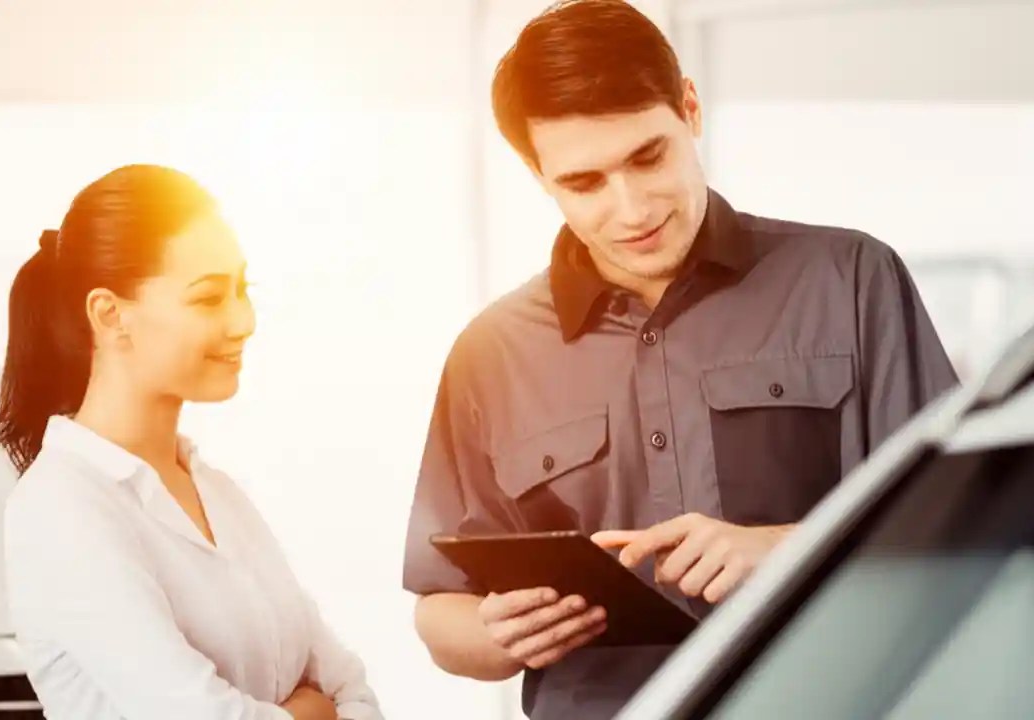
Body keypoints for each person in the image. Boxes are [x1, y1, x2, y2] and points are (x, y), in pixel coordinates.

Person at [401, 1, 959, 718]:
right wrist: (494, 633)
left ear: (689, 109)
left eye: (648, 156)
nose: (631, 208)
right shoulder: (489, 354)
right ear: (538, 174)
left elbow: (959, 529)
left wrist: (791, 549)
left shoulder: (850, 280)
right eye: (584, 183)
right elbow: (439, 609)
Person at [0, 164, 382, 720]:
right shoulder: (61, 506)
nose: (243, 320)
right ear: (110, 315)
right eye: (208, 299)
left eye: (242, 289)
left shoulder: (216, 490)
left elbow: (355, 690)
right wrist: (312, 713)